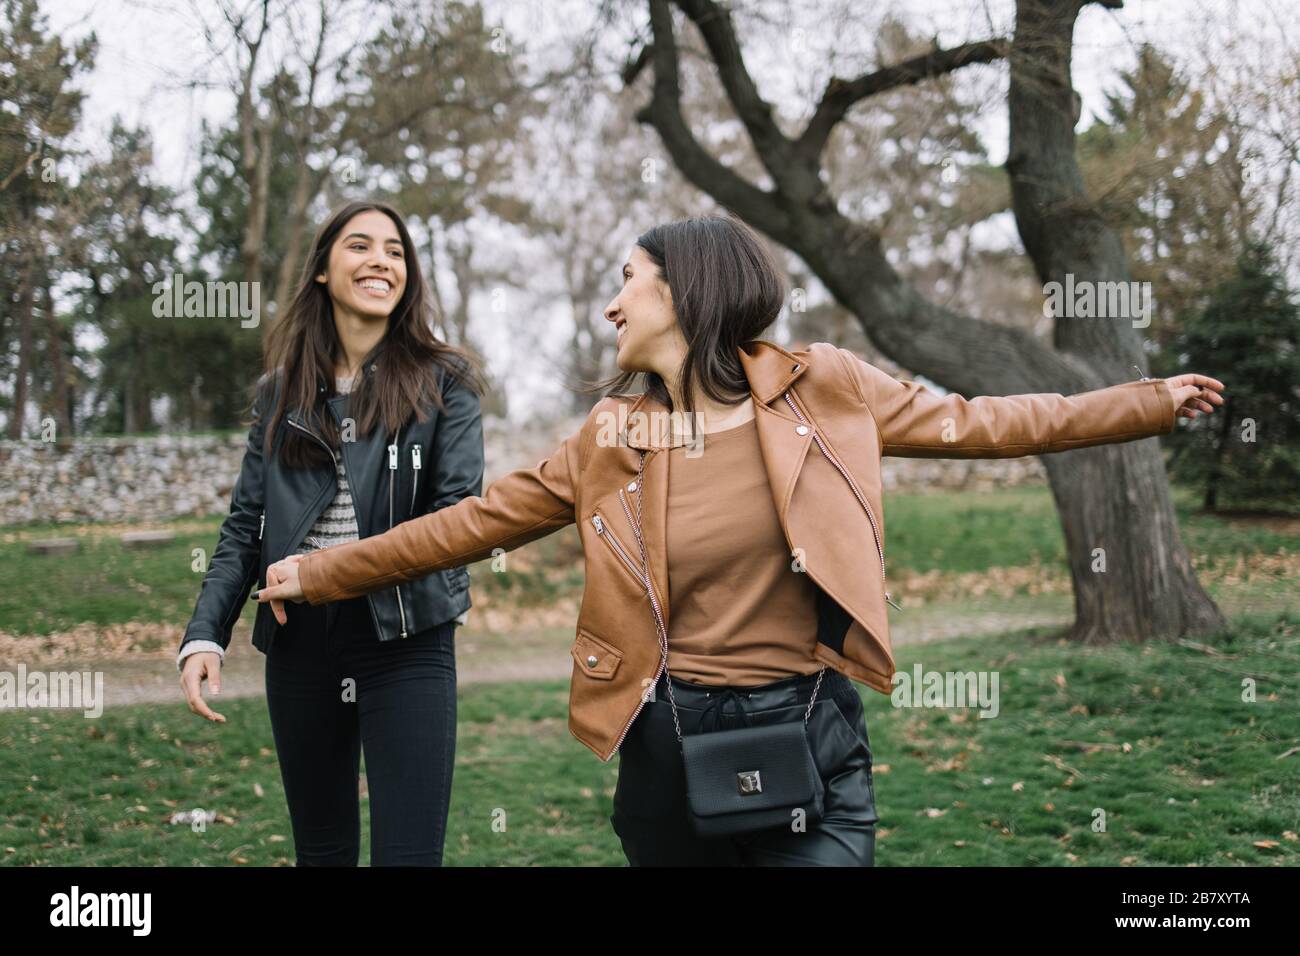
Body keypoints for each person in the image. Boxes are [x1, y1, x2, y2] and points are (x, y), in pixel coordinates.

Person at [253, 213, 1224, 866]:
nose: (610, 305)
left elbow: (986, 421)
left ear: (684, 291)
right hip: (669, 751)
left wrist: (1144, 401)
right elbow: (465, 525)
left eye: (625, 283)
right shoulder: (614, 435)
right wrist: (321, 567)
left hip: (808, 729)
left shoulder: (821, 387)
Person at [178, 200, 488, 866]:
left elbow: (458, 522)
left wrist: (329, 571)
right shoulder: (280, 395)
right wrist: (204, 632)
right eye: (360, 246)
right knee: (322, 853)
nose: (380, 260)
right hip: (300, 645)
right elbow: (244, 526)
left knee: (407, 856)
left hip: (407, 639)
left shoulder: (447, 384)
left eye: (395, 250)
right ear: (322, 269)